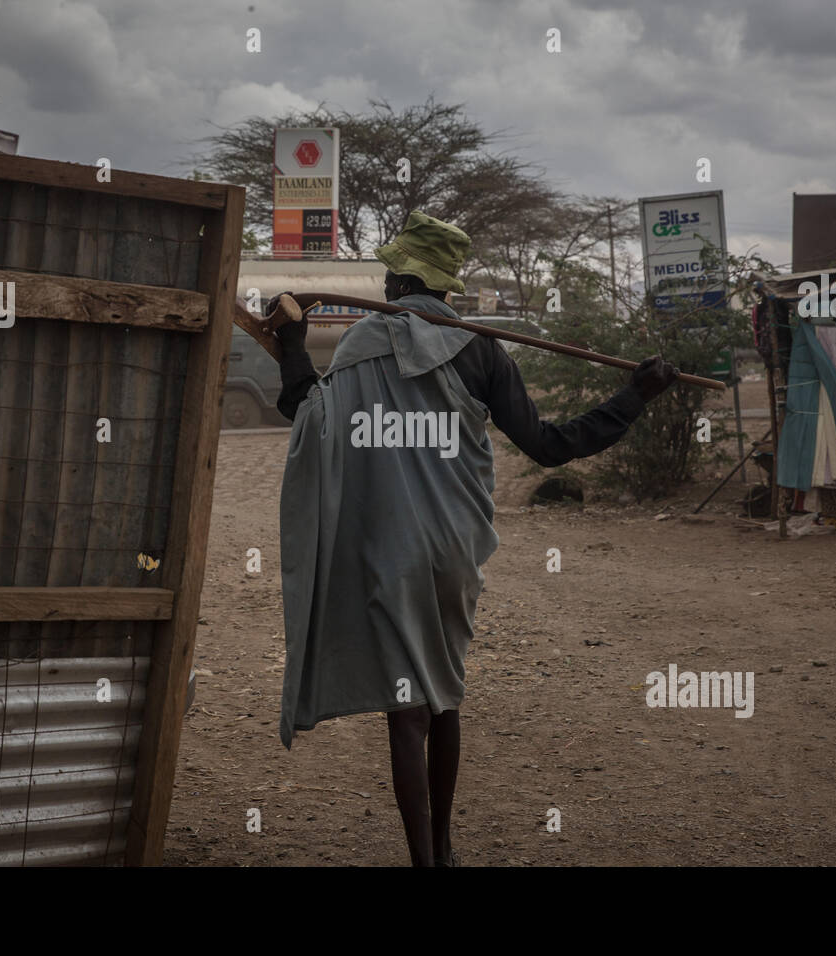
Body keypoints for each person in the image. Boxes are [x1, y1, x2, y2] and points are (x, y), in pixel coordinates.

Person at [271, 210, 677, 866]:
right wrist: (635, 395)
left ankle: (425, 862)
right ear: (447, 286)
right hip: (455, 549)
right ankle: (447, 848)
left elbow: (304, 416)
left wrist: (291, 339)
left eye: (388, 271)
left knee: (407, 709)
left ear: (399, 279)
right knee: (445, 693)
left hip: (390, 552)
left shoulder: (362, 346)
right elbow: (548, 447)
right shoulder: (483, 348)